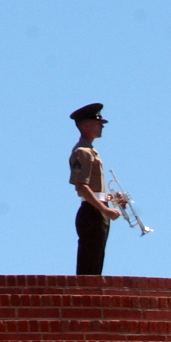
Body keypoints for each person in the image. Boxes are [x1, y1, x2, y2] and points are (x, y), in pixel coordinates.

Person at [69, 103, 119, 274]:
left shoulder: (90, 151)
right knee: (90, 263)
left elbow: (93, 189)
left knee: (96, 259)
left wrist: (112, 199)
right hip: (92, 211)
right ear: (86, 125)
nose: (102, 126)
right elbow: (81, 187)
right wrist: (105, 209)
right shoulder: (82, 152)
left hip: (96, 209)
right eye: (98, 123)